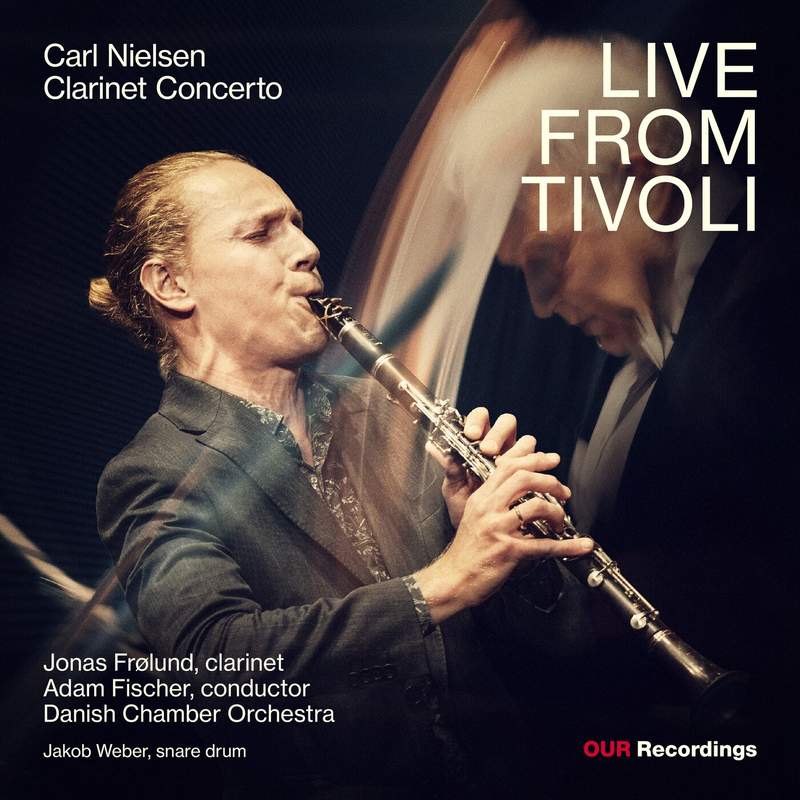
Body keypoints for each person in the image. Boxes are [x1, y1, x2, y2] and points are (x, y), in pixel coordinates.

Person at [89, 150, 593, 794]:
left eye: (297, 226)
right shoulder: (153, 470)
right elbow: (216, 658)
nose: (307, 249)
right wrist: (443, 583)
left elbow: (559, 645)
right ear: (172, 285)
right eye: (260, 233)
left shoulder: (392, 416)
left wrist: (514, 556)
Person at [452, 35, 796, 766]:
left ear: (647, 178)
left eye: (549, 258)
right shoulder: (634, 340)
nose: (540, 305)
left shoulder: (773, 313)